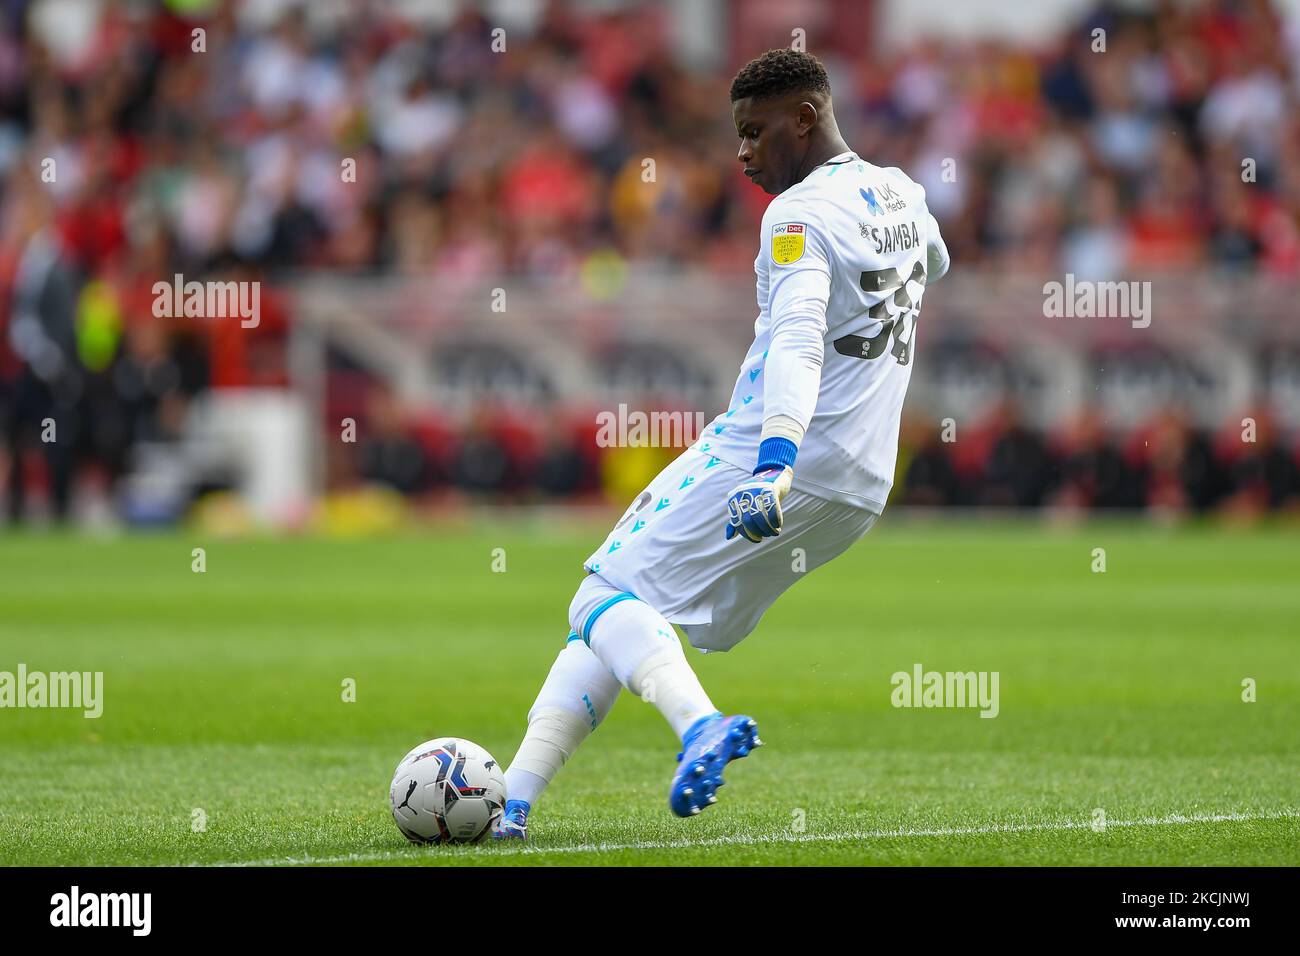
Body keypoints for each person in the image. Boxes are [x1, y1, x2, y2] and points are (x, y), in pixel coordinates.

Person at [496, 49, 950, 838]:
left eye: (754, 132)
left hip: (771, 457)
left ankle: (700, 726)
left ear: (804, 118)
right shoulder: (902, 192)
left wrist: (773, 462)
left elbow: (799, 337)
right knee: (624, 613)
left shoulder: (798, 214)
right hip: (860, 486)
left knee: (599, 597)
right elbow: (935, 262)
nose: (740, 152)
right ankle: (514, 802)